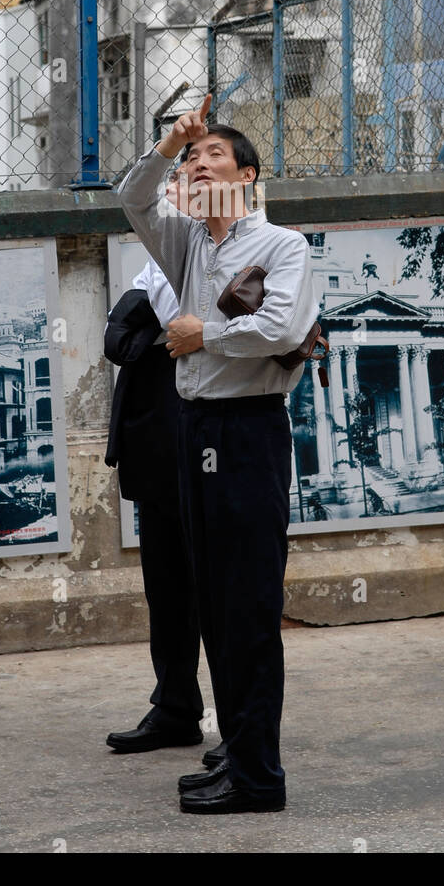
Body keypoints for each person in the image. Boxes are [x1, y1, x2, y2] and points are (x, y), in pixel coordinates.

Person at [116, 94, 319, 815]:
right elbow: (132, 197)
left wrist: (206, 335)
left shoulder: (281, 246)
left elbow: (279, 325)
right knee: (213, 604)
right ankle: (237, 755)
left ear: (248, 177)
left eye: (213, 156)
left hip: (247, 434)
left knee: (248, 609)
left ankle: (259, 777)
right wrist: (172, 141)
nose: (198, 165)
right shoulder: (191, 245)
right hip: (195, 431)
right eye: (192, 160)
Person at [103, 165, 226, 764]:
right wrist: (169, 327)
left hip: (210, 436)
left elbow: (228, 325)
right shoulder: (157, 263)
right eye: (174, 181)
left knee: (220, 584)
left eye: (189, 181)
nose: (176, 190)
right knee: (166, 584)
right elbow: (119, 336)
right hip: (156, 440)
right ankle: (175, 705)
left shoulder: (248, 249)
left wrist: (183, 326)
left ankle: (239, 726)